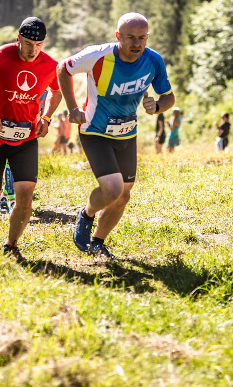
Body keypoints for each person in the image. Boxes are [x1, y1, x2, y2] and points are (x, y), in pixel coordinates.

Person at [60, 13, 175, 259]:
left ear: (148, 37)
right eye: (130, 38)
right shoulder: (99, 56)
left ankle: (98, 242)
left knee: (123, 195)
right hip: (95, 131)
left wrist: (158, 106)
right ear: (118, 37)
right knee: (112, 189)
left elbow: (168, 96)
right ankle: (87, 214)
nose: (137, 44)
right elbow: (63, 68)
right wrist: (72, 108)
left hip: (127, 133)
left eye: (142, 38)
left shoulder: (153, 60)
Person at [0, 18, 61, 260]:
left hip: (25, 139)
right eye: (27, 43)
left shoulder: (50, 65)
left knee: (25, 197)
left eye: (38, 45)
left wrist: (46, 118)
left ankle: (11, 245)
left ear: (43, 43)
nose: (32, 50)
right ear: (18, 38)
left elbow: (56, 91)